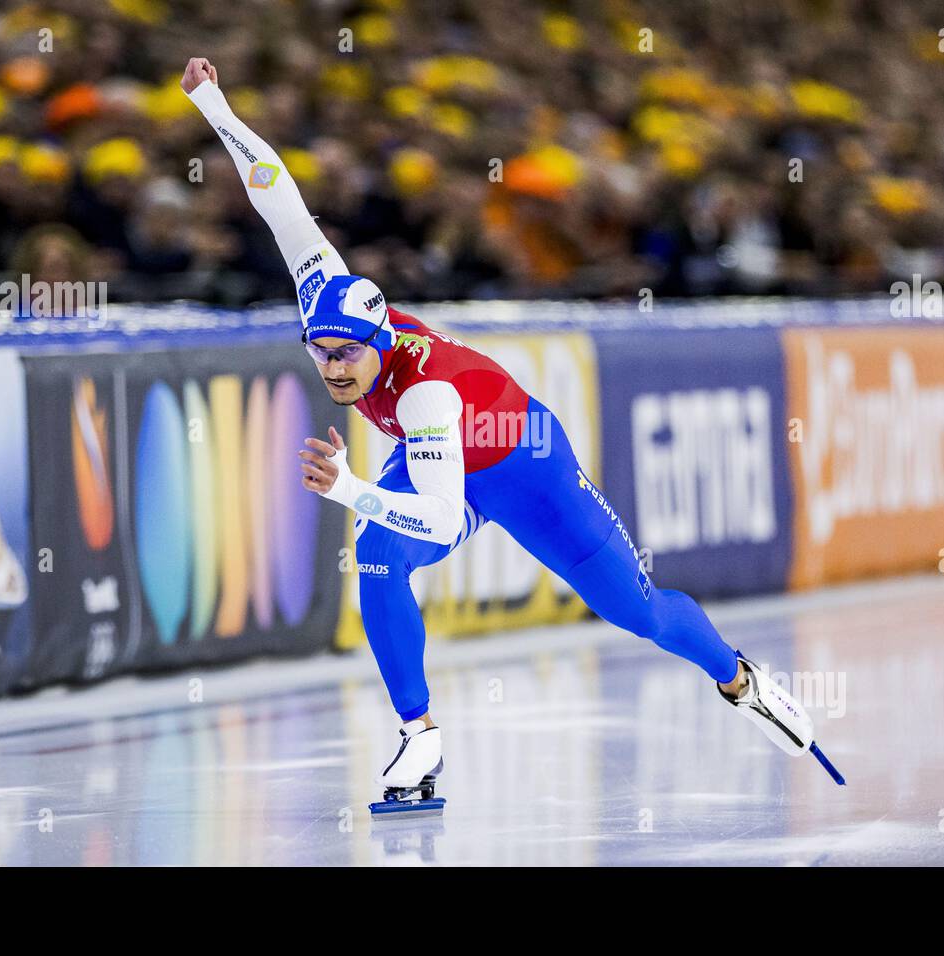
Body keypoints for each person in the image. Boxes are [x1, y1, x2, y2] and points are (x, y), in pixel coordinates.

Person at [181, 57, 829, 810]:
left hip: (528, 470)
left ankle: (739, 679)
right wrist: (215, 104)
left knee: (640, 613)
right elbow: (279, 199)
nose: (332, 370)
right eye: (318, 353)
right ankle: (418, 730)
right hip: (448, 460)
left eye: (346, 355)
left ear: (380, 343)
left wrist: (351, 487)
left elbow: (439, 513)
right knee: (379, 556)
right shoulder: (327, 293)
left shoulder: (422, 395)